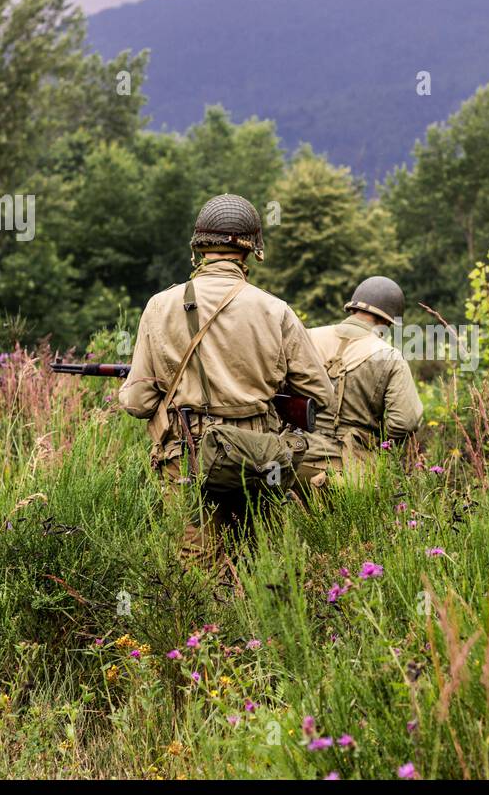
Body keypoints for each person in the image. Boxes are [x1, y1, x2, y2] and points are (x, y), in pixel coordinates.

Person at [118, 193, 333, 567]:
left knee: (194, 570)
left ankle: (197, 626)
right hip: (258, 457)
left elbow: (136, 403)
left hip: (187, 455)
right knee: (257, 564)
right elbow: (320, 393)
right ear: (252, 251)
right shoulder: (275, 310)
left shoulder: (159, 306)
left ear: (198, 247)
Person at [300, 276, 423, 488]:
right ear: (386, 321)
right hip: (350, 471)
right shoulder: (389, 357)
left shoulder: (307, 337)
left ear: (352, 310)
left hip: (293, 459)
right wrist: (378, 444)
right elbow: (405, 422)